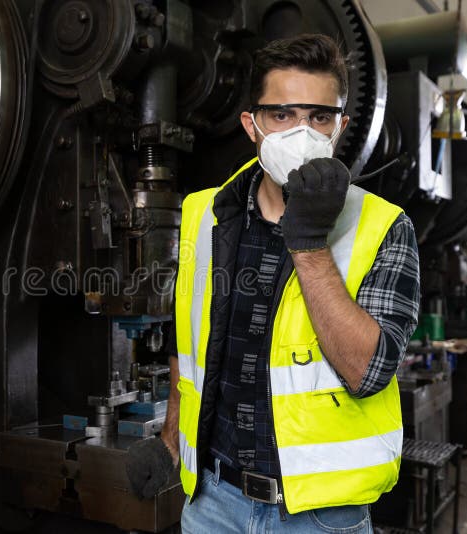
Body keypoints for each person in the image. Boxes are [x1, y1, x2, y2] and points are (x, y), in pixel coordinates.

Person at [126, 33, 420, 533]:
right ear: (252, 125)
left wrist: (308, 244)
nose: (301, 133)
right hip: (214, 503)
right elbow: (188, 343)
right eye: (282, 116)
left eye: (319, 117)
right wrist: (172, 440)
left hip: (320, 518)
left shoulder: (384, 227)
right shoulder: (204, 214)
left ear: (340, 126)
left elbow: (367, 372)